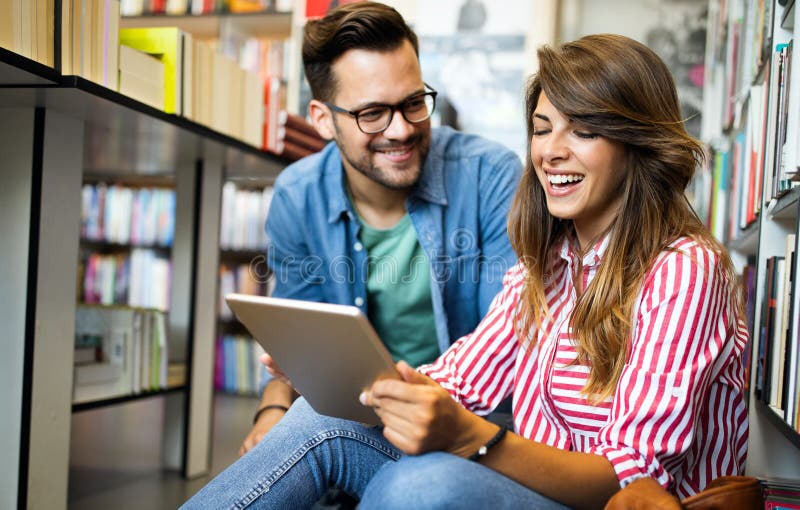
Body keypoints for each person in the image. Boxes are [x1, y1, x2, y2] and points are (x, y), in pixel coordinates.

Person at [183, 33, 748, 510]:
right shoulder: (549, 264)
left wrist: (473, 437)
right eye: (543, 127)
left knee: (425, 482)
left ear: (637, 142)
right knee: (318, 420)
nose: (550, 152)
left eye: (583, 130)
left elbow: (629, 481)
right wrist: (340, 372)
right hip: (528, 482)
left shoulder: (684, 270)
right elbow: (459, 380)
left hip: (607, 502)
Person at [239, 1, 522, 456]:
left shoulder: (490, 175)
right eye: (372, 113)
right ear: (323, 119)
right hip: (356, 418)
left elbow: (507, 345)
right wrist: (271, 412)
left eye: (413, 103)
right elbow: (303, 343)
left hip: (471, 428)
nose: (402, 130)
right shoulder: (298, 194)